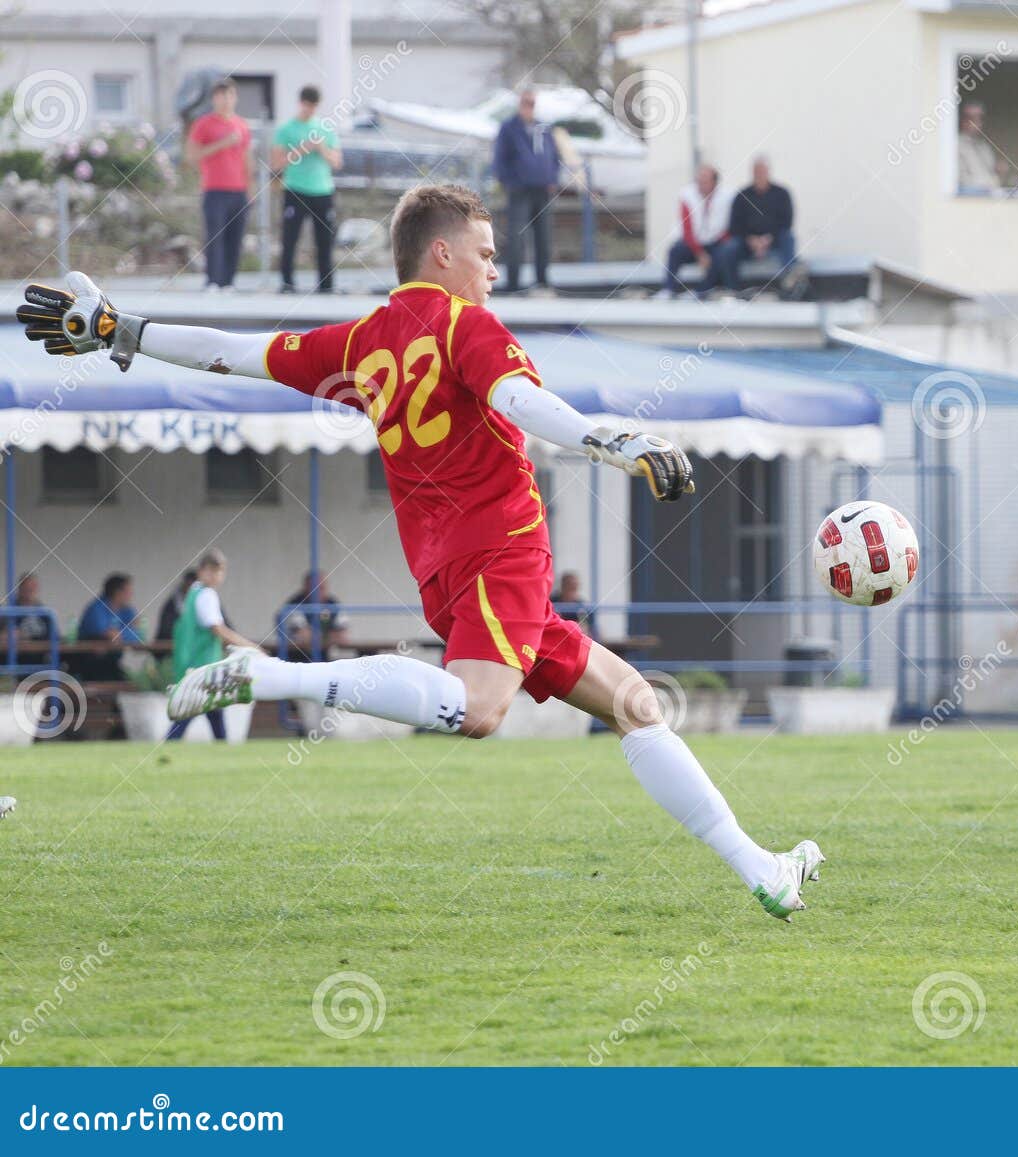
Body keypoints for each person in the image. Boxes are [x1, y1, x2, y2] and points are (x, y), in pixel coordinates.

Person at [15, 184, 823, 922]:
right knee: (478, 710)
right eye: (486, 253)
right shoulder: (463, 324)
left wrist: (124, 330)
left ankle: (762, 867)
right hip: (504, 550)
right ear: (442, 253)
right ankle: (272, 675)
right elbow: (519, 398)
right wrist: (615, 438)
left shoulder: (363, 339)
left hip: (446, 570)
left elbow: (232, 349)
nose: (494, 271)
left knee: (635, 704)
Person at [166, 549, 257, 742]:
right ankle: (169, 745)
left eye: (219, 571)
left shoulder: (193, 593)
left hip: (194, 663)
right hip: (202, 664)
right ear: (200, 571)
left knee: (211, 710)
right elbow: (218, 629)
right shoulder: (207, 595)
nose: (215, 576)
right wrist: (249, 646)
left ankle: (221, 744)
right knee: (191, 711)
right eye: (211, 570)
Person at [272, 85, 342, 295]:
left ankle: (326, 285)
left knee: (325, 239)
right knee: (290, 237)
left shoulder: (325, 129)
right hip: (296, 190)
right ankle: (287, 282)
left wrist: (321, 148)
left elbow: (337, 162)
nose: (310, 110)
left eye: (314, 106)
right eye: (307, 105)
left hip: (322, 190)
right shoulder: (286, 129)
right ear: (300, 103)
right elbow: (276, 163)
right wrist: (302, 149)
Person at [492, 89, 562, 295]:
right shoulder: (509, 128)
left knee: (543, 236)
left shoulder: (543, 128)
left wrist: (552, 178)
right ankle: (513, 282)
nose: (529, 107)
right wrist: (509, 182)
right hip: (519, 190)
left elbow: (554, 156)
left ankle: (542, 280)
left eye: (532, 103)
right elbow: (499, 159)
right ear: (519, 104)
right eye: (525, 102)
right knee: (517, 236)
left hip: (542, 189)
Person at [184, 78, 252, 292]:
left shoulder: (241, 124)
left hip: (238, 190)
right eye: (222, 96)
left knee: (235, 237)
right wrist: (222, 144)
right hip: (214, 189)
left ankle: (228, 282)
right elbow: (192, 155)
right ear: (214, 99)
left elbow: (247, 158)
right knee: (215, 236)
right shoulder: (204, 123)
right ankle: (213, 281)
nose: (226, 100)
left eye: (230, 95)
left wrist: (250, 189)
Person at [716, 156, 797, 295]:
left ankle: (790, 288)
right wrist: (751, 240)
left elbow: (786, 222)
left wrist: (767, 239)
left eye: (762, 171)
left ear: (768, 172)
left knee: (788, 238)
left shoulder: (782, 194)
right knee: (729, 248)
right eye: (757, 171)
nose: (760, 175)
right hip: (747, 244)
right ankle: (733, 291)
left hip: (774, 241)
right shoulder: (742, 195)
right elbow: (734, 226)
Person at [658, 164, 735, 299]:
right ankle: (668, 289)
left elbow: (730, 227)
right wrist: (699, 253)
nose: (700, 184)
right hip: (693, 242)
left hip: (715, 242)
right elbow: (686, 227)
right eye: (699, 180)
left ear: (714, 182)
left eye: (705, 181)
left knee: (723, 253)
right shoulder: (687, 195)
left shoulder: (728, 197)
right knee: (675, 250)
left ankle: (702, 291)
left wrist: (711, 250)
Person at [73, 573, 143, 682]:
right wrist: (123, 633)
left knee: (131, 682)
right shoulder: (96, 608)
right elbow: (106, 635)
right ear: (118, 592)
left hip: (112, 662)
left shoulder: (127, 610)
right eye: (128, 591)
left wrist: (120, 634)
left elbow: (137, 636)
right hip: (90, 663)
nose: (131, 595)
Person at [279, 570, 351, 661]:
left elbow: (342, 637)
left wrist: (316, 637)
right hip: (295, 660)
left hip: (324, 660)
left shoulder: (333, 604)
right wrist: (328, 637)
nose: (318, 592)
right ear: (305, 588)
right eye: (314, 588)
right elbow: (304, 637)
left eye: (322, 588)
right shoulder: (294, 604)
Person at [957, 102, 1004, 195]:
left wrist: (998, 171)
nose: (977, 122)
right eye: (972, 118)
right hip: (968, 201)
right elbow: (962, 181)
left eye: (980, 118)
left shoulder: (984, 146)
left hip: (988, 198)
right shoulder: (954, 145)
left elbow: (992, 176)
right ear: (962, 120)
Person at [7, 571, 53, 645]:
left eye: (33, 587)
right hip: (19, 653)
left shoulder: (45, 612)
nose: (31, 590)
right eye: (27, 587)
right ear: (20, 588)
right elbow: (4, 634)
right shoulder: (9, 611)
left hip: (40, 653)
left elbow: (54, 636)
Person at [157, 569, 197, 642]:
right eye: (188, 586)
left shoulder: (207, 600)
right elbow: (165, 631)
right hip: (172, 646)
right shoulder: (171, 604)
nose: (190, 591)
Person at [555, 571, 593, 636]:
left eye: (574, 587)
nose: (571, 589)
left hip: (575, 638)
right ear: (562, 586)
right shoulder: (553, 603)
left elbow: (588, 628)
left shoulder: (583, 607)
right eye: (568, 586)